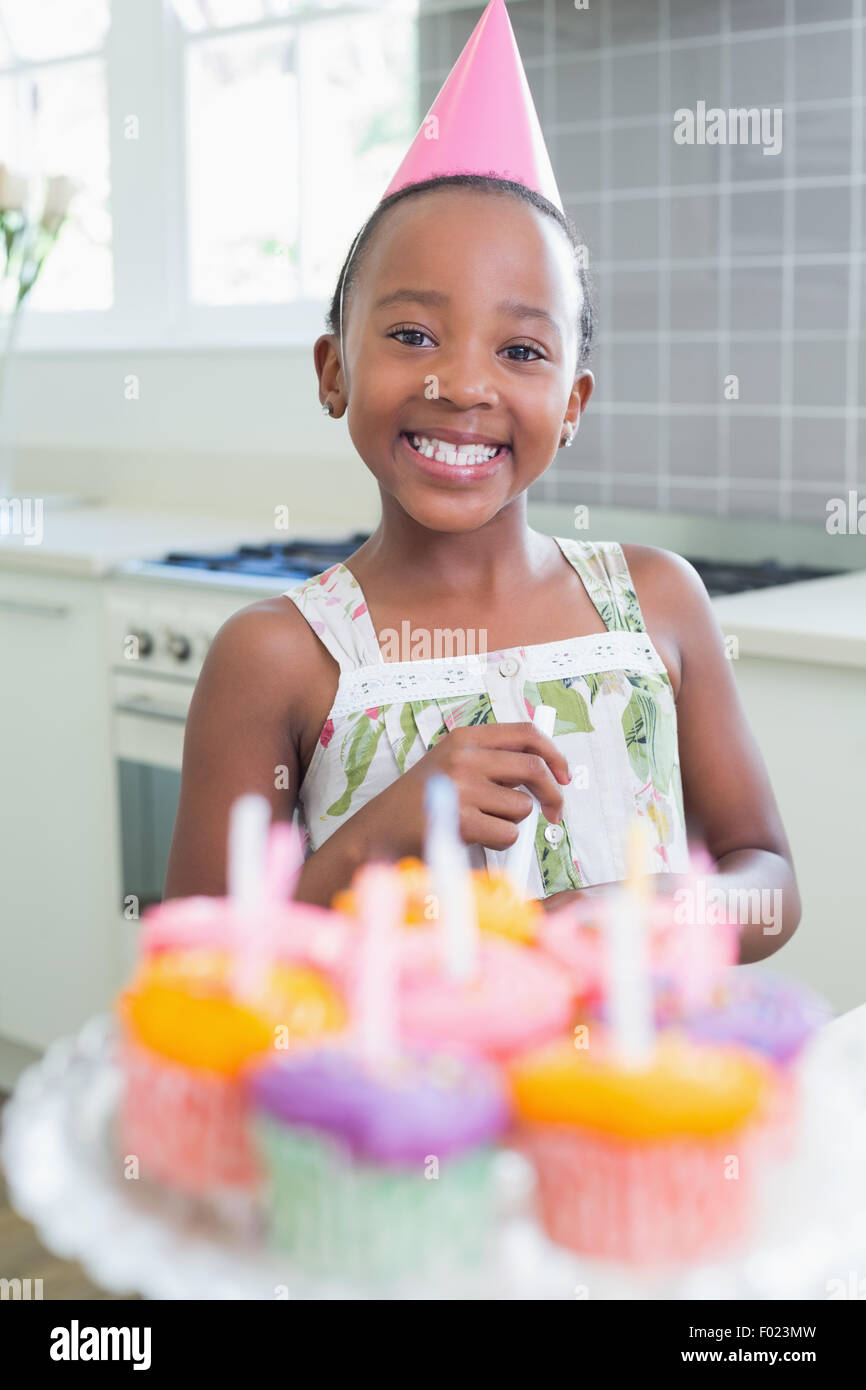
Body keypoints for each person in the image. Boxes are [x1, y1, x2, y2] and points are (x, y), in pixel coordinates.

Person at [164, 1, 799, 964]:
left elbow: (768, 882)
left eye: (520, 348)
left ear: (573, 402)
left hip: (635, 1110)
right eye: (413, 334)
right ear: (333, 370)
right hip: (408, 1114)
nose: (462, 383)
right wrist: (382, 833)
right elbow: (204, 961)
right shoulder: (274, 658)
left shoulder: (658, 601)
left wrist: (665, 918)